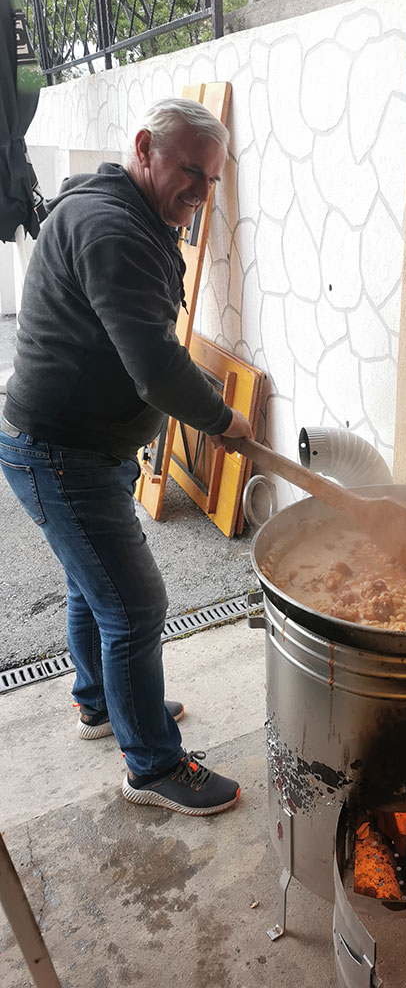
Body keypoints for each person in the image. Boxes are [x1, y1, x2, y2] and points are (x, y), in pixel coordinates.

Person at [0, 98, 252, 816]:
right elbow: (153, 364)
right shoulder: (114, 227)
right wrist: (223, 416)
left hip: (78, 443)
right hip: (59, 452)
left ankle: (100, 704)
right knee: (137, 605)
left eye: (210, 181)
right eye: (189, 173)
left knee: (94, 587)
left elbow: (144, 345)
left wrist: (204, 395)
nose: (199, 194)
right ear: (145, 148)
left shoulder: (123, 211)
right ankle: (151, 767)